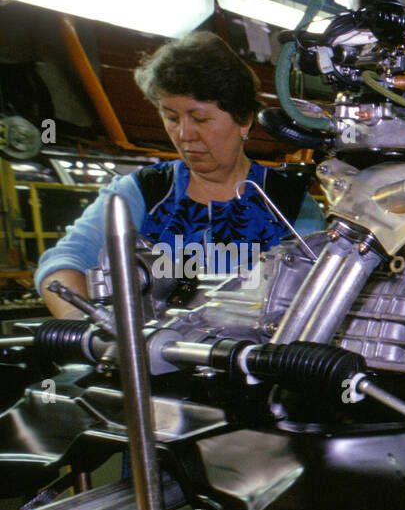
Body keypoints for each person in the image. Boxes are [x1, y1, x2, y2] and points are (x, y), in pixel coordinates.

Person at [36, 32, 325, 318]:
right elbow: (64, 263)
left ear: (244, 120)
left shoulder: (288, 202)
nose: (184, 135)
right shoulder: (142, 192)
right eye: (171, 118)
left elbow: (314, 297)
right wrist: (86, 329)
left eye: (200, 119)